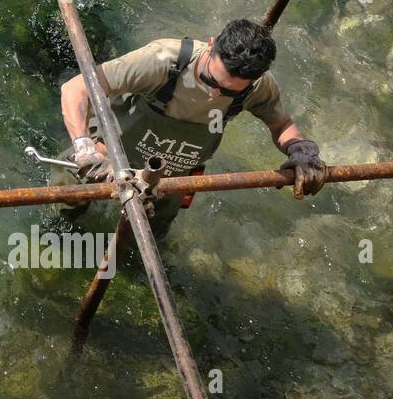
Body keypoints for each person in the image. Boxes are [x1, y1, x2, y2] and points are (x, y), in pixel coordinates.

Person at [50, 19, 327, 239]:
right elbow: (77, 87)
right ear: (211, 45)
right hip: (107, 156)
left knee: (147, 242)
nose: (213, 94)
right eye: (211, 79)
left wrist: (300, 150)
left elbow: (281, 124)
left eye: (227, 92)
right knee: (59, 221)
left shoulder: (259, 86)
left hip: (172, 176)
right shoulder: (163, 61)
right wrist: (85, 149)